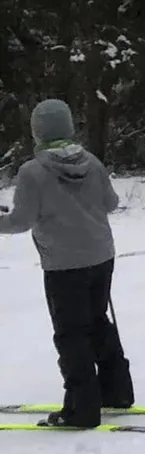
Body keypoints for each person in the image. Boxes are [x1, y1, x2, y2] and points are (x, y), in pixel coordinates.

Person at [0, 99, 133, 428]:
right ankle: (117, 391)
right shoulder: (92, 162)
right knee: (97, 321)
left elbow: (21, 221)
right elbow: (111, 203)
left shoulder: (33, 171)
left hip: (63, 264)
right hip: (101, 256)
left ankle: (81, 408)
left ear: (38, 132)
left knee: (70, 334)